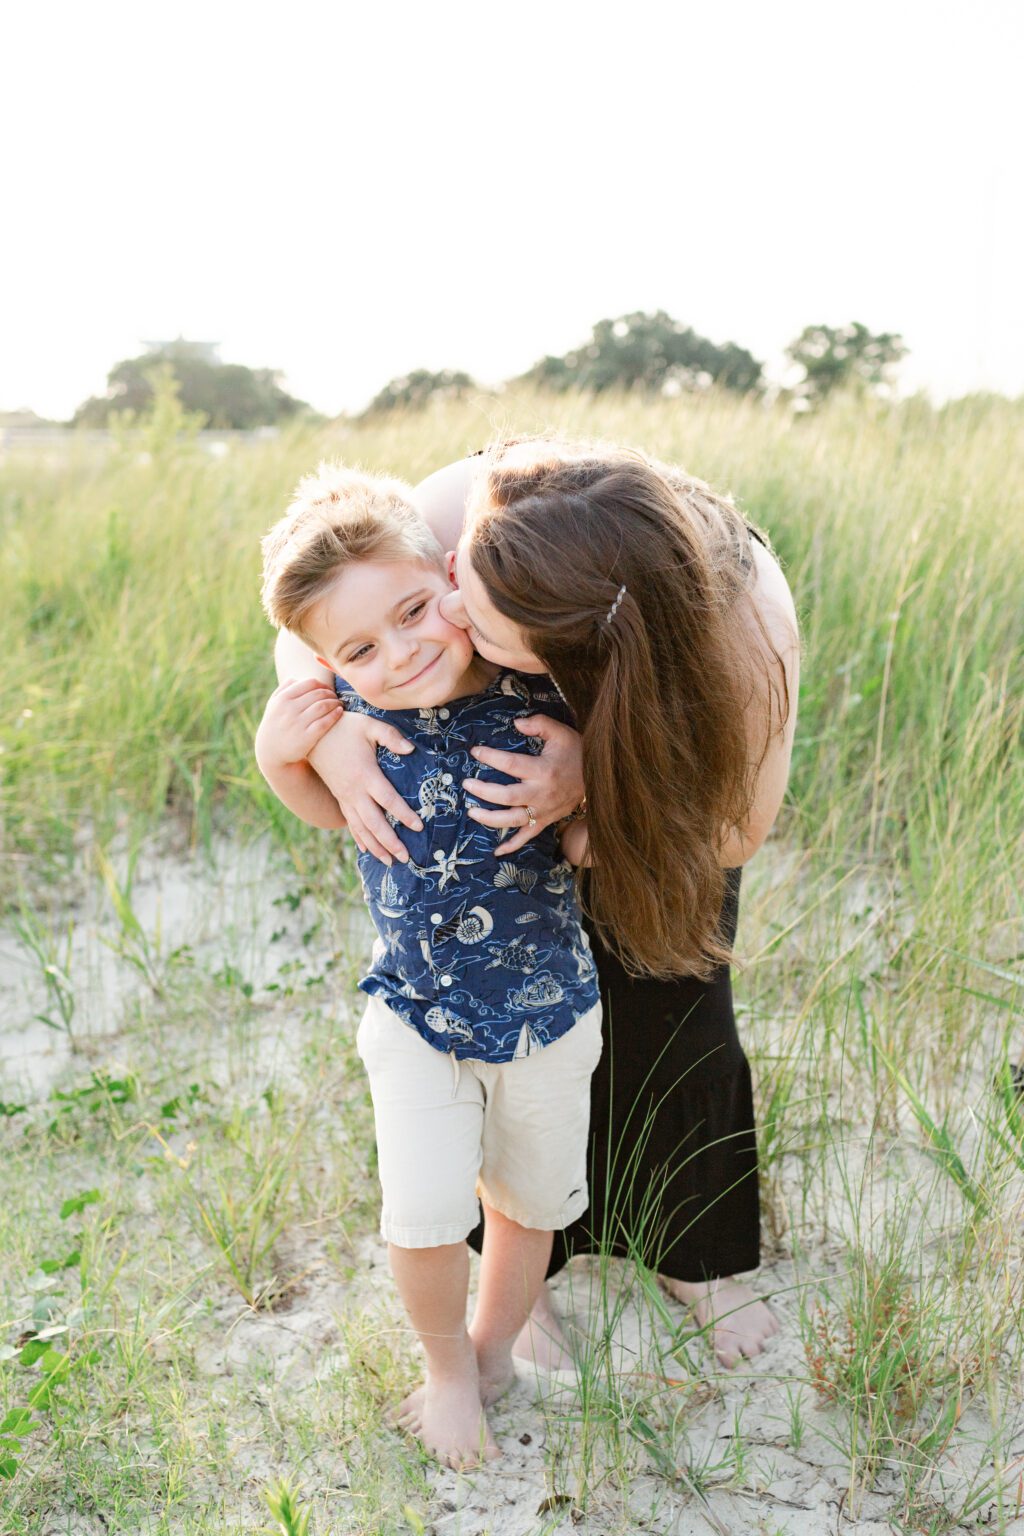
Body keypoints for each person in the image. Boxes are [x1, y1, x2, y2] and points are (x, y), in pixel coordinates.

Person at [273, 435, 800, 1371]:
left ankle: (697, 1258)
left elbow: (731, 837)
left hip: (662, 780)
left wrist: (598, 779)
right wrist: (333, 738)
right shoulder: (454, 513)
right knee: (507, 1044)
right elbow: (306, 621)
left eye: (478, 623)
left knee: (676, 1007)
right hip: (499, 842)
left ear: (570, 654)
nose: (450, 627)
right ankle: (526, 1282)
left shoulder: (744, 618)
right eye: (453, 588)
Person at [256, 462, 603, 1470]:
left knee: (527, 1204)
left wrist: (581, 793)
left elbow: (586, 847)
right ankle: (446, 1370)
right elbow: (336, 816)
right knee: (421, 1215)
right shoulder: (354, 732)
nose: (401, 654)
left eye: (415, 611)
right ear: (327, 666)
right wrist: (287, 759)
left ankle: (494, 1353)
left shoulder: (539, 699)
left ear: (450, 575)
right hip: (413, 1013)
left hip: (549, 1009)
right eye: (359, 648)